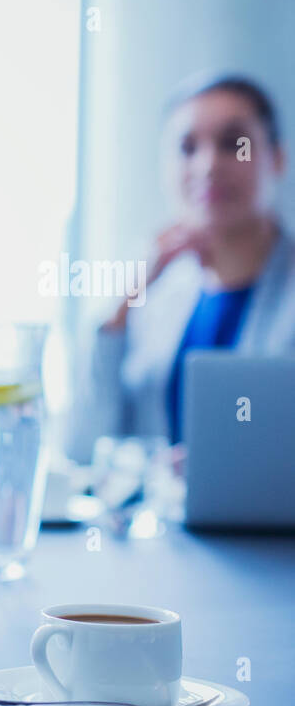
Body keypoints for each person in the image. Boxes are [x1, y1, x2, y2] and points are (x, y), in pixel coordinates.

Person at [91, 73, 294, 447]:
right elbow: (86, 445)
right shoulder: (155, 298)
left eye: (235, 144)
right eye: (187, 148)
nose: (208, 165)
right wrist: (122, 305)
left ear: (277, 159)